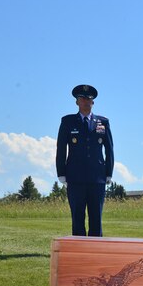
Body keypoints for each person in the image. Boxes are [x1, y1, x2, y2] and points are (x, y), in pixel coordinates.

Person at [55, 84, 114, 237]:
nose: (86, 102)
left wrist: (109, 172)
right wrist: (61, 172)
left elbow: (109, 149)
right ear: (77, 102)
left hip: (97, 177)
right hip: (75, 177)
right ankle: (78, 248)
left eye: (89, 99)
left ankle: (96, 248)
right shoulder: (68, 121)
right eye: (82, 99)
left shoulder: (102, 122)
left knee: (96, 218)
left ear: (93, 102)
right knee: (77, 218)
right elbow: (61, 148)